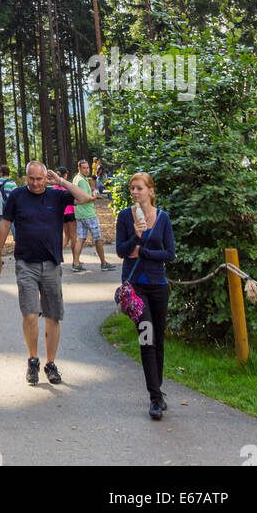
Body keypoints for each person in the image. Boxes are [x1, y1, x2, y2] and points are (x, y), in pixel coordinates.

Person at [0, 160, 91, 386]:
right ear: (25, 178)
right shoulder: (17, 196)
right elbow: (5, 226)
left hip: (52, 264)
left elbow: (84, 198)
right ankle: (33, 359)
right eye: (31, 179)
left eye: (39, 179)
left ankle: (50, 363)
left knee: (53, 316)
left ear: (46, 177)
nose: (35, 184)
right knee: (29, 313)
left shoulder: (57, 196)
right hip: (26, 263)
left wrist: (62, 182)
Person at [116, 171, 176, 421]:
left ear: (151, 191)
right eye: (132, 188)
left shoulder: (162, 218)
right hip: (136, 288)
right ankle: (154, 397)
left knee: (158, 339)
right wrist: (136, 238)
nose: (135, 192)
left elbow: (170, 253)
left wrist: (143, 252)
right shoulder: (124, 216)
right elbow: (121, 251)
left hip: (159, 286)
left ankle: (158, 391)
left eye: (140, 188)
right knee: (146, 337)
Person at [71, 158, 114, 272]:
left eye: (87, 168)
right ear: (79, 168)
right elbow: (85, 198)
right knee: (98, 239)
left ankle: (75, 263)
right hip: (88, 214)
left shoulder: (76, 179)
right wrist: (94, 197)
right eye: (84, 168)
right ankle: (104, 264)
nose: (86, 170)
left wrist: (91, 192)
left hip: (79, 213)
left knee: (81, 238)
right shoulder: (82, 180)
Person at [53, 165, 78, 265]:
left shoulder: (55, 186)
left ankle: (56, 255)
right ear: (65, 175)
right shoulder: (66, 185)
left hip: (62, 214)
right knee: (73, 237)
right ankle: (75, 260)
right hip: (70, 213)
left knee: (66, 237)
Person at [0, 163, 18, 243]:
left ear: (1, 173)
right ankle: (18, 241)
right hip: (9, 209)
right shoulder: (12, 183)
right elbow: (16, 197)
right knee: (13, 225)